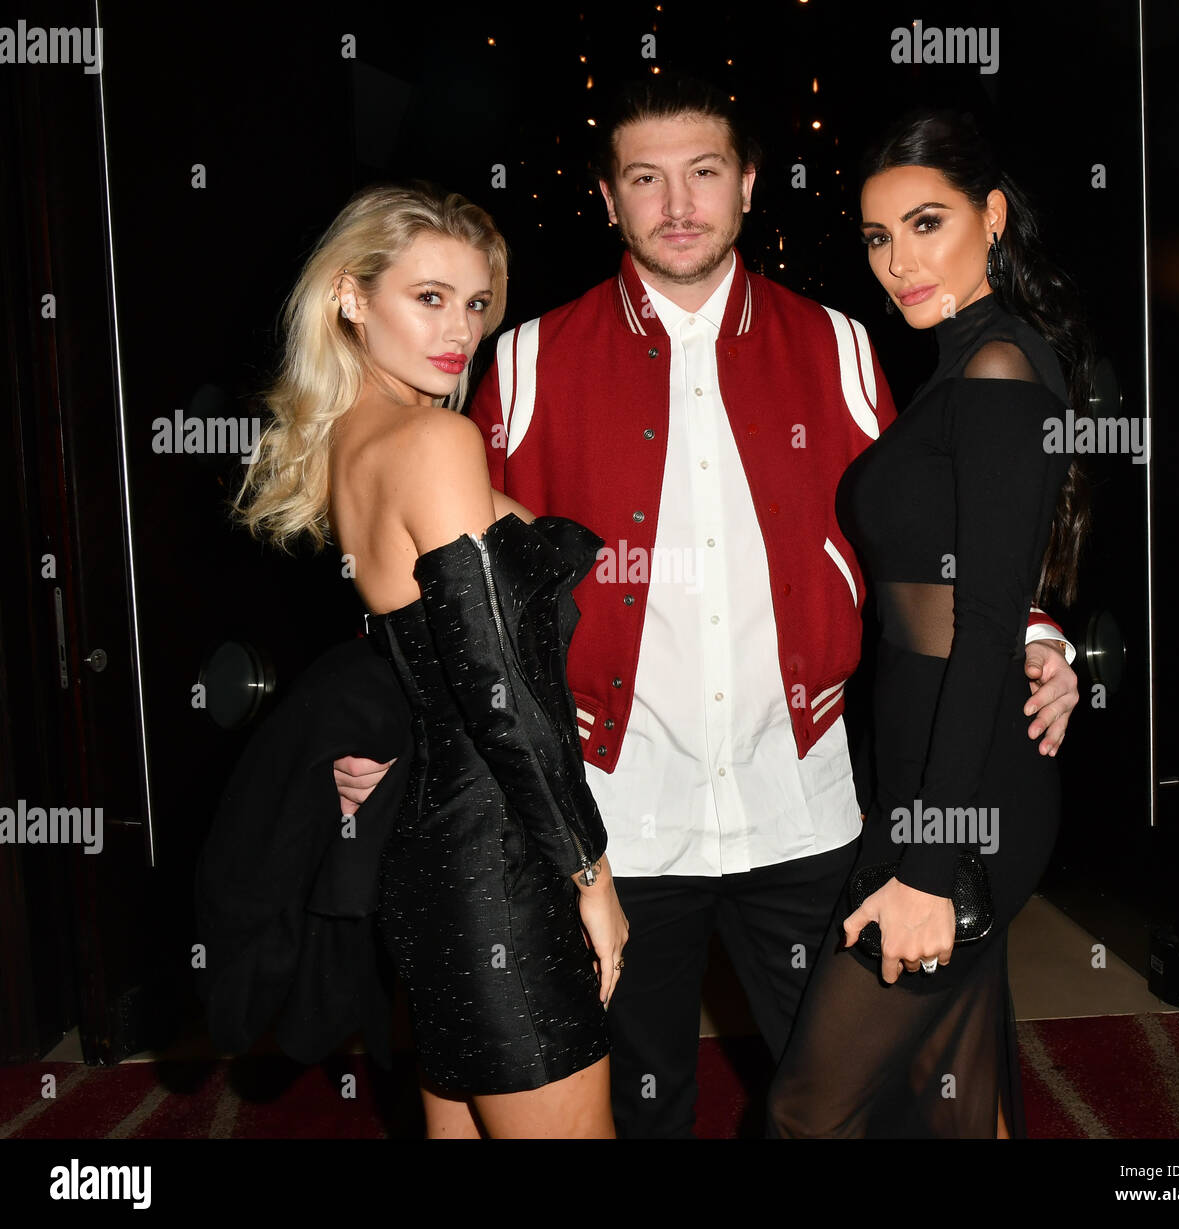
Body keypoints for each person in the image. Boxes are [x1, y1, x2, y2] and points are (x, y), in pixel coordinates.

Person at [335, 77, 1081, 1139]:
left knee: (866, 1104)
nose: (676, 203)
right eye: (645, 178)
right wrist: (374, 727)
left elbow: (939, 526)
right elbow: (436, 574)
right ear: (607, 198)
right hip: (616, 820)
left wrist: (1036, 632)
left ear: (746, 186)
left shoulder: (841, 340)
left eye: (703, 173)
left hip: (807, 802)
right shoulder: (525, 357)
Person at [235, 183, 627, 1138]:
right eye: (430, 297)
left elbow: (423, 663)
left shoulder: (349, 446)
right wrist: (592, 875)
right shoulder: (435, 440)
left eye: (478, 302)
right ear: (350, 297)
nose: (461, 329)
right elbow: (502, 695)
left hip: (427, 861)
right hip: (499, 858)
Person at [767, 109, 1093, 1139]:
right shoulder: (959, 367)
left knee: (807, 1110)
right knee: (953, 1100)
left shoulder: (998, 367)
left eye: (925, 223)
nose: (900, 261)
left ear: (990, 216)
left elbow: (985, 613)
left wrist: (925, 862)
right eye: (877, 237)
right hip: (931, 774)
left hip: (961, 799)